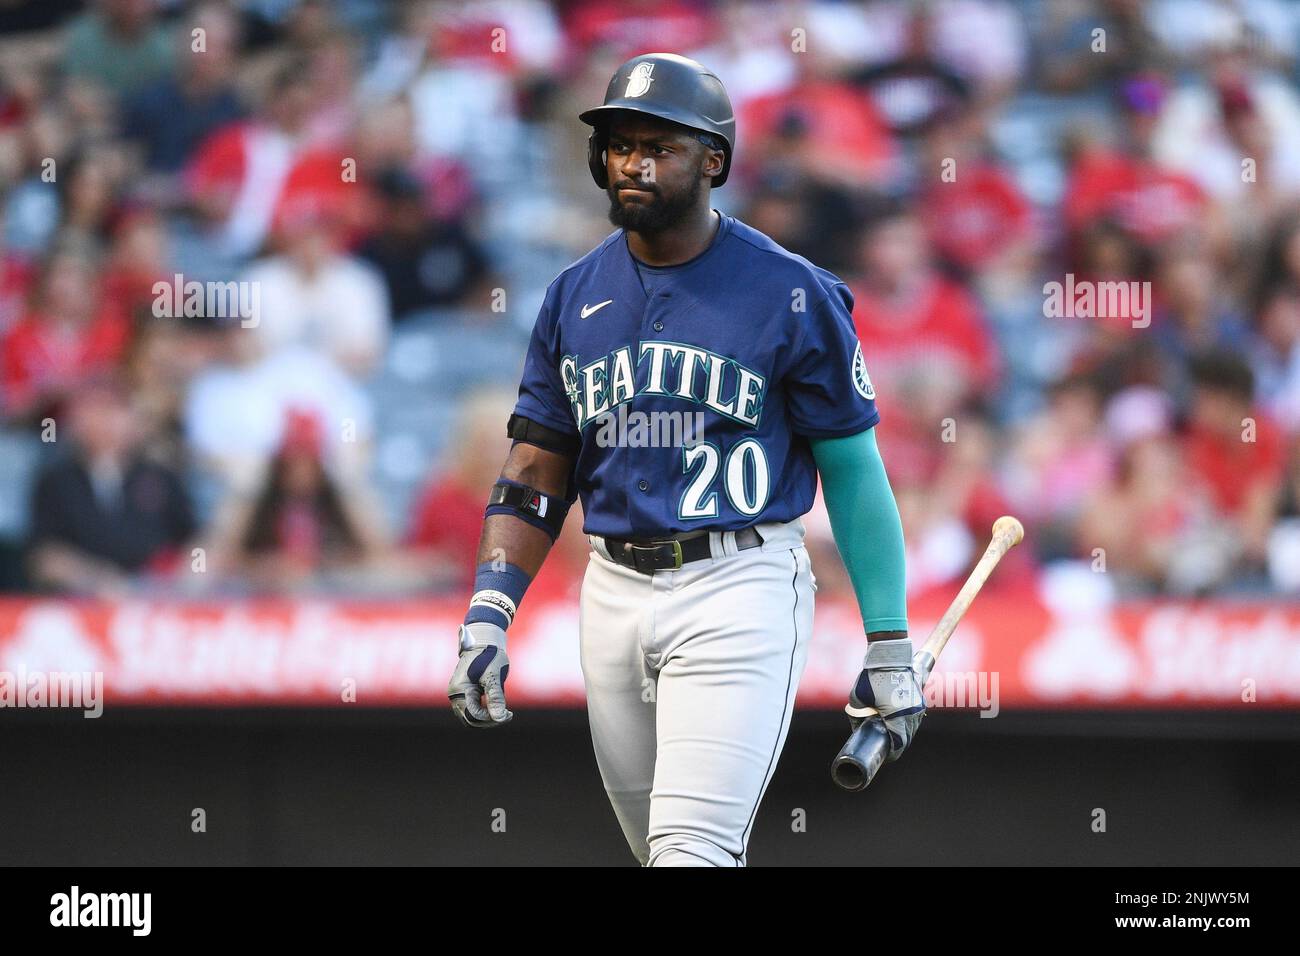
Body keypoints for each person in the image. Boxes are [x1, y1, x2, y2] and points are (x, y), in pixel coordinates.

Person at [445, 54, 919, 867]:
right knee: (666, 856)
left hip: (739, 583)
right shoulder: (570, 295)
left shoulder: (792, 291)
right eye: (621, 143)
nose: (634, 161)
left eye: (659, 145)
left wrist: (889, 641)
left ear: (714, 161)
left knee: (690, 850)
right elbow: (534, 468)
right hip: (613, 587)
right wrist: (490, 609)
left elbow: (851, 466)